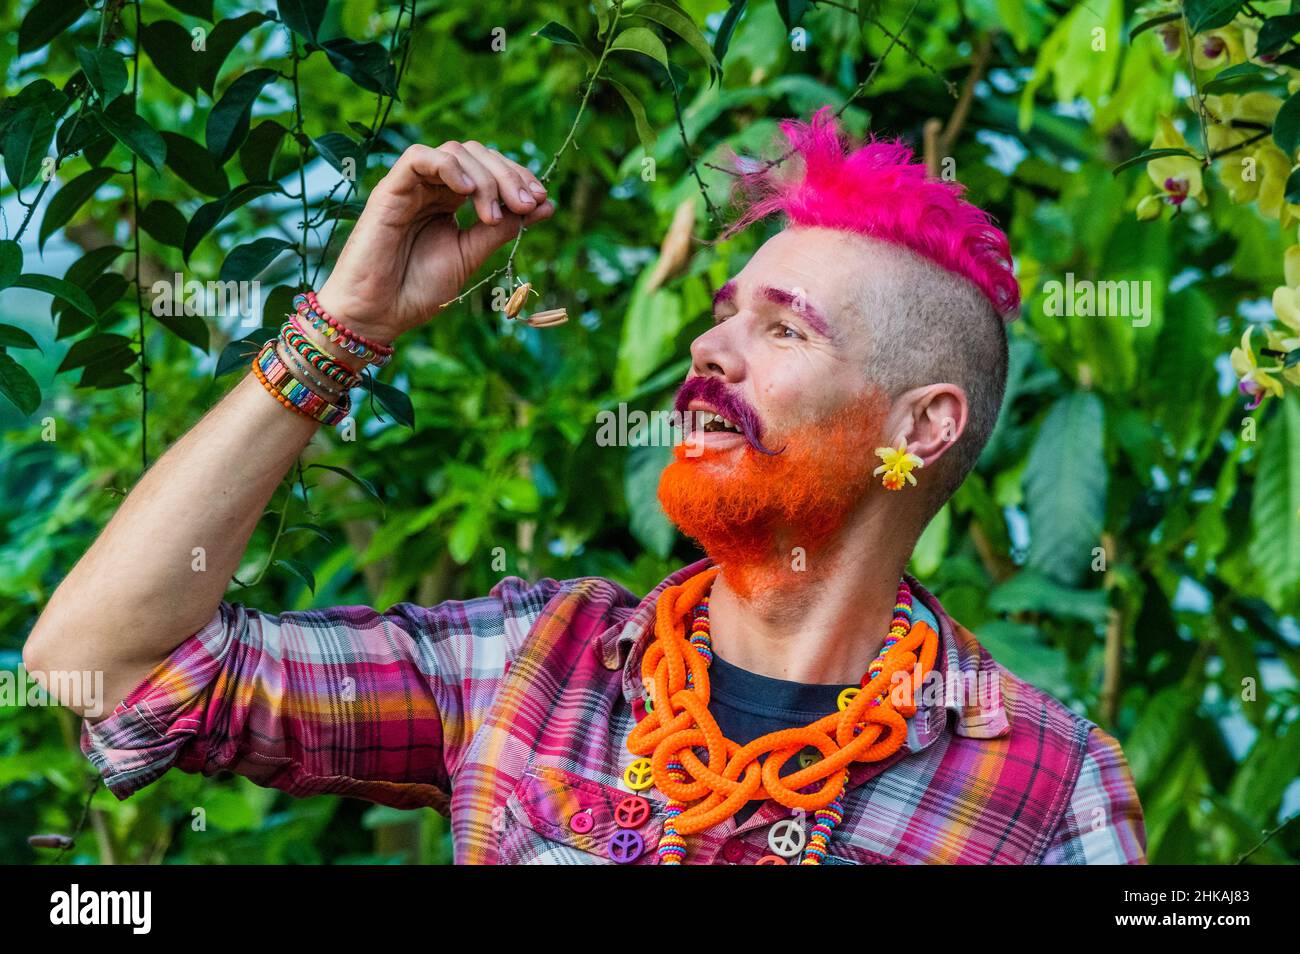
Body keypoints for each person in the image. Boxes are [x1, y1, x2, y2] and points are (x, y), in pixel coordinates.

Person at [23, 108, 1146, 865]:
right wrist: (346, 328)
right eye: (721, 312)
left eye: (783, 328)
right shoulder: (528, 663)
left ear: (922, 425)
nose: (710, 348)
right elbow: (97, 665)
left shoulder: (1048, 785)